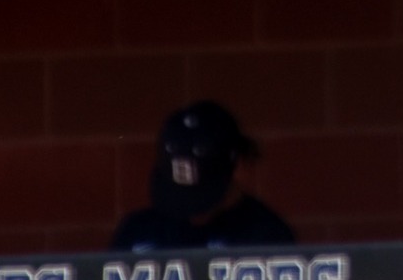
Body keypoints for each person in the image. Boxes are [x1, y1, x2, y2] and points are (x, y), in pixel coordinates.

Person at [111, 100, 295, 251]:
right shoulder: (138, 231)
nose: (191, 211)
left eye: (202, 192)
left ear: (238, 167)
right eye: (178, 194)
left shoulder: (266, 235)